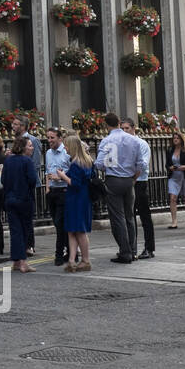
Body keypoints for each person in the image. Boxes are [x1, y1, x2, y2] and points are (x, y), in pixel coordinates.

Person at [96, 112, 141, 263]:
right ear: (119, 122)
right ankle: (133, 251)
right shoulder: (133, 140)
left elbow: (100, 164)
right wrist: (133, 178)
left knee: (118, 218)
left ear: (106, 125)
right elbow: (141, 164)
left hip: (113, 180)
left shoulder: (107, 140)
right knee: (129, 216)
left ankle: (125, 252)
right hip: (129, 180)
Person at [57, 135, 94, 272]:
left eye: (66, 145)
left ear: (72, 146)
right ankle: (72, 261)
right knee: (72, 231)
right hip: (80, 199)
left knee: (80, 231)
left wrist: (63, 176)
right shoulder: (87, 161)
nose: (64, 148)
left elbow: (75, 183)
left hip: (77, 200)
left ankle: (85, 260)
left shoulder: (77, 164)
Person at [2, 136, 38, 273]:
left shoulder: (8, 161)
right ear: (23, 147)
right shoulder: (27, 161)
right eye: (29, 145)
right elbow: (33, 180)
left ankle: (16, 261)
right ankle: (23, 262)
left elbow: (3, 179)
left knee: (15, 231)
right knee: (24, 231)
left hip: (10, 199)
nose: (32, 147)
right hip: (24, 200)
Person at [122, 118, 155, 259]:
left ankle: (149, 248)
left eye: (127, 128)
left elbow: (142, 165)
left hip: (139, 183)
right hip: (127, 183)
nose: (124, 132)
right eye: (122, 129)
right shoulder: (122, 145)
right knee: (129, 217)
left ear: (133, 128)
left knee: (144, 216)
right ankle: (131, 248)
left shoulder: (142, 144)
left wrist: (133, 179)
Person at [44, 127, 71, 265]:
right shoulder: (48, 152)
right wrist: (48, 188)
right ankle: (72, 251)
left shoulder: (67, 153)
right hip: (53, 192)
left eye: (52, 138)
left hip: (64, 192)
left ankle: (59, 255)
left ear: (60, 138)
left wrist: (60, 178)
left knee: (60, 224)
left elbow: (72, 174)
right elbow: (47, 171)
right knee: (57, 223)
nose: (49, 140)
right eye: (48, 138)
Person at [166, 132, 185, 228]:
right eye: (174, 138)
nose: (175, 140)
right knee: (172, 198)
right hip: (174, 176)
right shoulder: (170, 150)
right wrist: (170, 167)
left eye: (177, 138)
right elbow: (167, 164)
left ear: (181, 140)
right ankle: (174, 221)